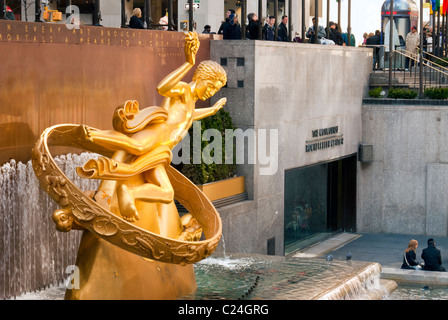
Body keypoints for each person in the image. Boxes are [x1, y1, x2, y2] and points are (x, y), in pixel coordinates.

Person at [77, 32, 227, 221]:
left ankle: (130, 193)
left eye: (215, 90)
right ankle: (94, 136)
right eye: (211, 86)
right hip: (160, 132)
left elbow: (189, 117)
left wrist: (212, 110)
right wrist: (188, 63)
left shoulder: (191, 104)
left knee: (167, 193)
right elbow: (162, 88)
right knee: (134, 147)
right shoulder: (183, 90)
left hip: (163, 150)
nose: (211, 92)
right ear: (201, 77)